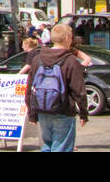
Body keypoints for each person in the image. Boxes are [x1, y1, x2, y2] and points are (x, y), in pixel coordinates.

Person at [24, 23, 89, 152]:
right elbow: (79, 90)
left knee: (48, 146)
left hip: (43, 110)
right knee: (61, 147)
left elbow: (30, 87)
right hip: (63, 110)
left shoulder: (37, 59)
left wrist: (32, 113)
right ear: (66, 38)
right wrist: (83, 113)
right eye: (71, 37)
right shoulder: (70, 61)